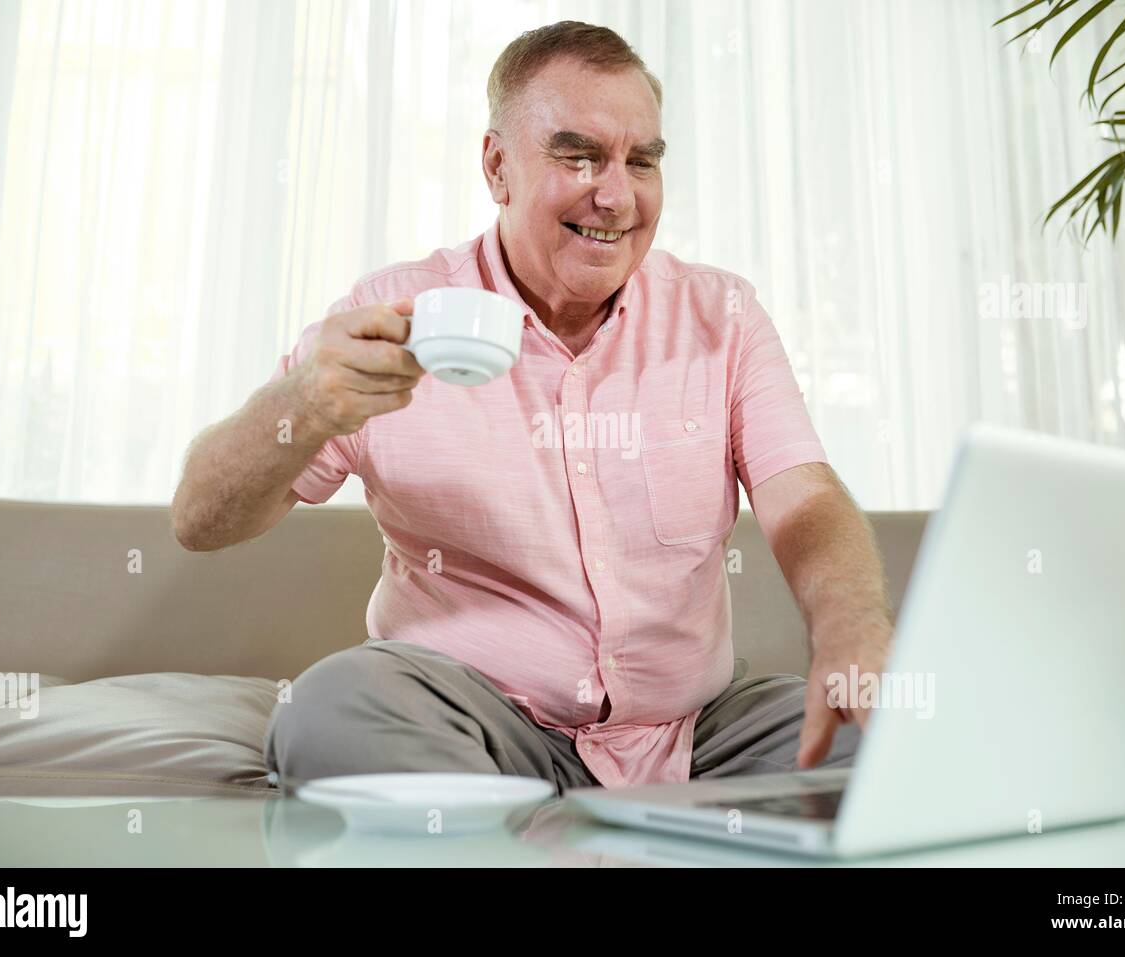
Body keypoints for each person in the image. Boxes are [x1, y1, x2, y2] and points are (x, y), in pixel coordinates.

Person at [171, 20, 893, 794]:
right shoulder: (393, 314)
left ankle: (544, 840)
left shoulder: (722, 315)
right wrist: (304, 402)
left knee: (896, 747)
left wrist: (851, 625)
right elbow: (201, 518)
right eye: (578, 155)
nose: (614, 194)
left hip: (693, 734)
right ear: (498, 167)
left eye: (640, 161)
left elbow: (805, 497)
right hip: (478, 727)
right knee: (329, 712)